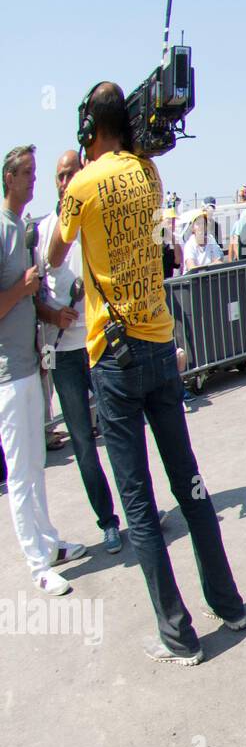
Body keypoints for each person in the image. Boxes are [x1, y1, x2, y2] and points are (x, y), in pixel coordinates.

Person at [47, 82, 246, 665]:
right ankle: (229, 603)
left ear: (90, 129)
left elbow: (58, 253)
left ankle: (178, 635)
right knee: (190, 485)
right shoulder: (148, 174)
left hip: (112, 357)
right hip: (161, 346)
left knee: (138, 506)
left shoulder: (82, 183)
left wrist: (81, 176)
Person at [1, 145, 86, 596]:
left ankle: (48, 544)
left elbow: (29, 297)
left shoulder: (24, 230)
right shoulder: (0, 229)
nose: (35, 180)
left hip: (31, 366)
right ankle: (36, 562)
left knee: (36, 462)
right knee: (20, 470)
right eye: (29, 173)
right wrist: (25, 287)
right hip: (7, 375)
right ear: (9, 178)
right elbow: (12, 295)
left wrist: (52, 314)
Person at [36, 150, 122, 555]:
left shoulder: (96, 220)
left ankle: (142, 510)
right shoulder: (44, 232)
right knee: (84, 444)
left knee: (122, 432)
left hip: (102, 345)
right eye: (59, 175)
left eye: (71, 172)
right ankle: (107, 521)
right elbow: (35, 293)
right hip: (68, 356)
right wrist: (54, 315)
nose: (65, 180)